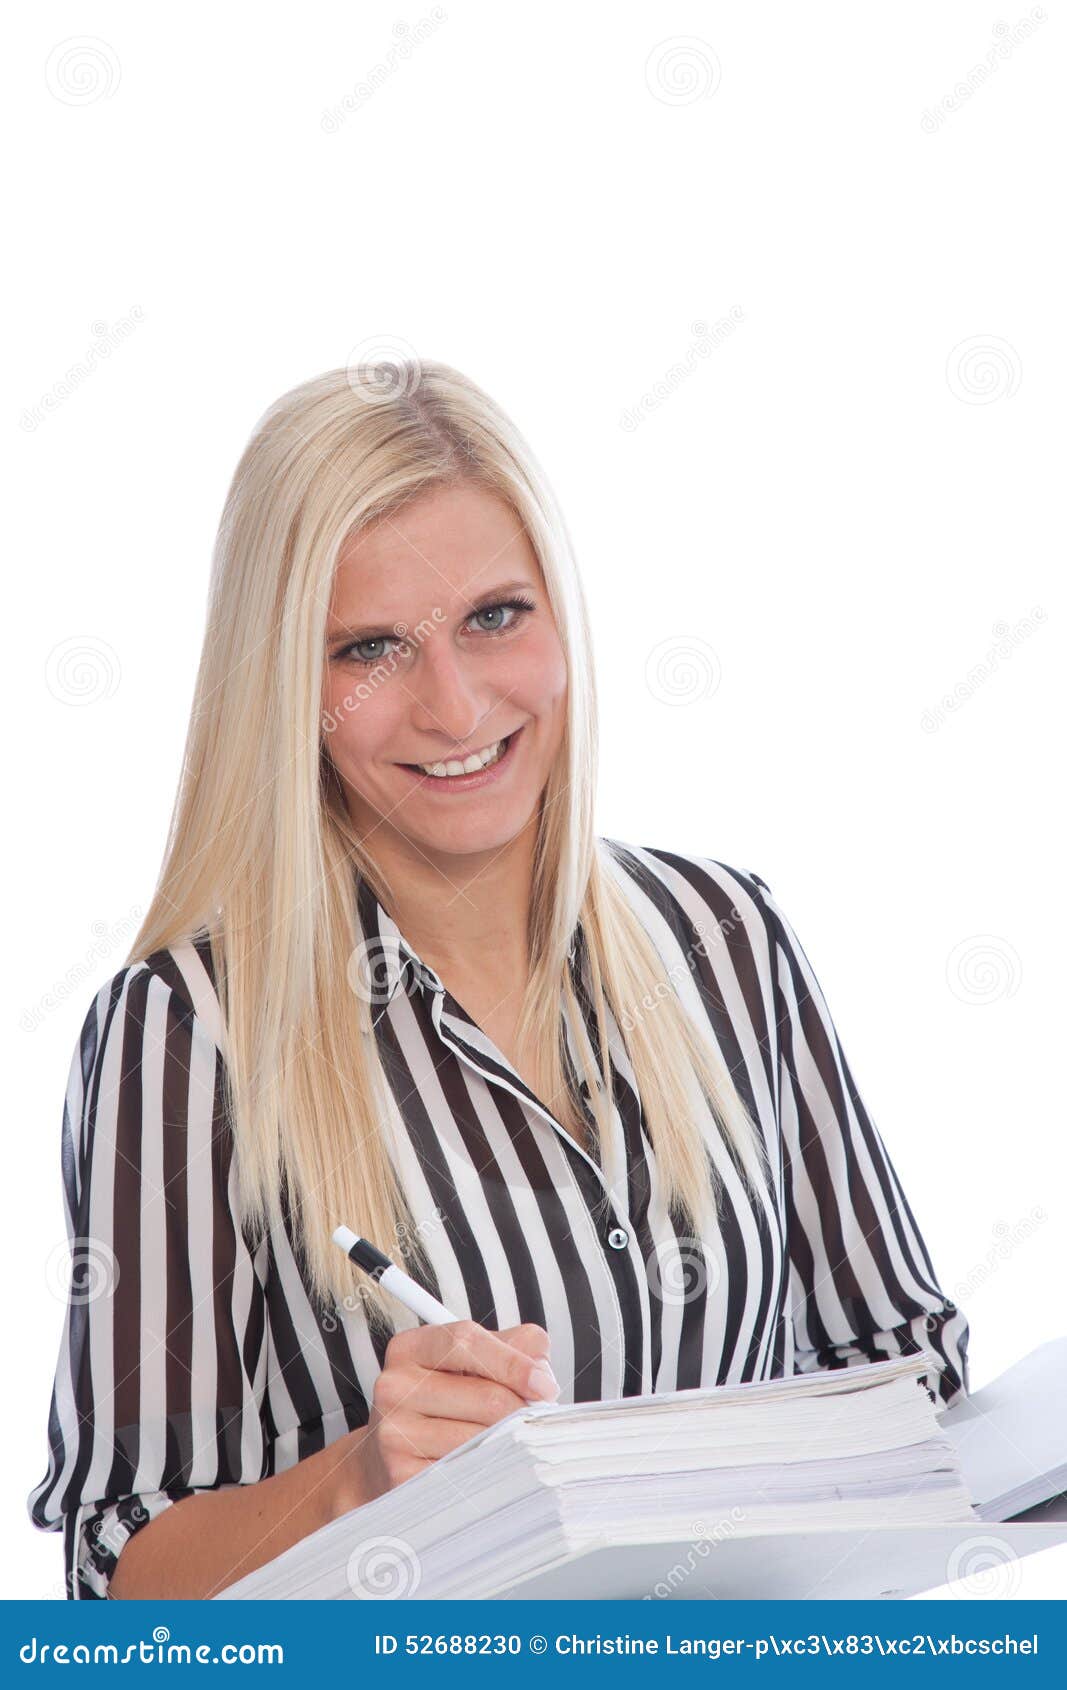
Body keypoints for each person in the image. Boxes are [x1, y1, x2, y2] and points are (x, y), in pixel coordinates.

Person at [27, 360, 970, 1601]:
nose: (454, 704)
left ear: (560, 617)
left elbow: (908, 1365)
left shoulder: (726, 936)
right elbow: (119, 1567)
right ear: (286, 688)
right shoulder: (185, 1031)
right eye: (370, 649)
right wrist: (362, 1476)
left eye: (493, 616)